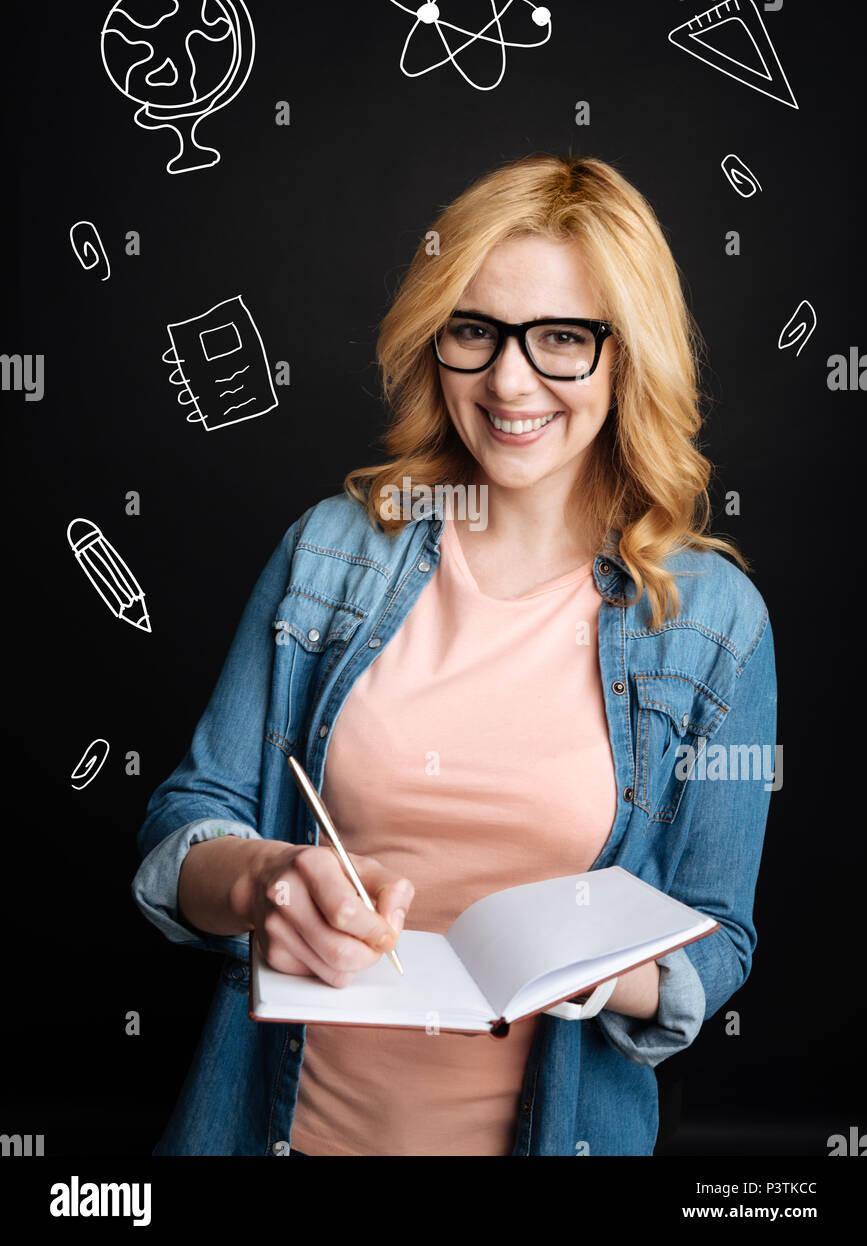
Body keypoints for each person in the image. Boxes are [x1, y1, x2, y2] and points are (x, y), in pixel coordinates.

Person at [132, 154, 777, 1157]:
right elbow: (184, 825)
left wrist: (595, 965)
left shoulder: (712, 620)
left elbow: (717, 937)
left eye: (562, 337)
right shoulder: (332, 551)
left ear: (627, 354)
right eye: (475, 331)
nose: (508, 380)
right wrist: (266, 880)